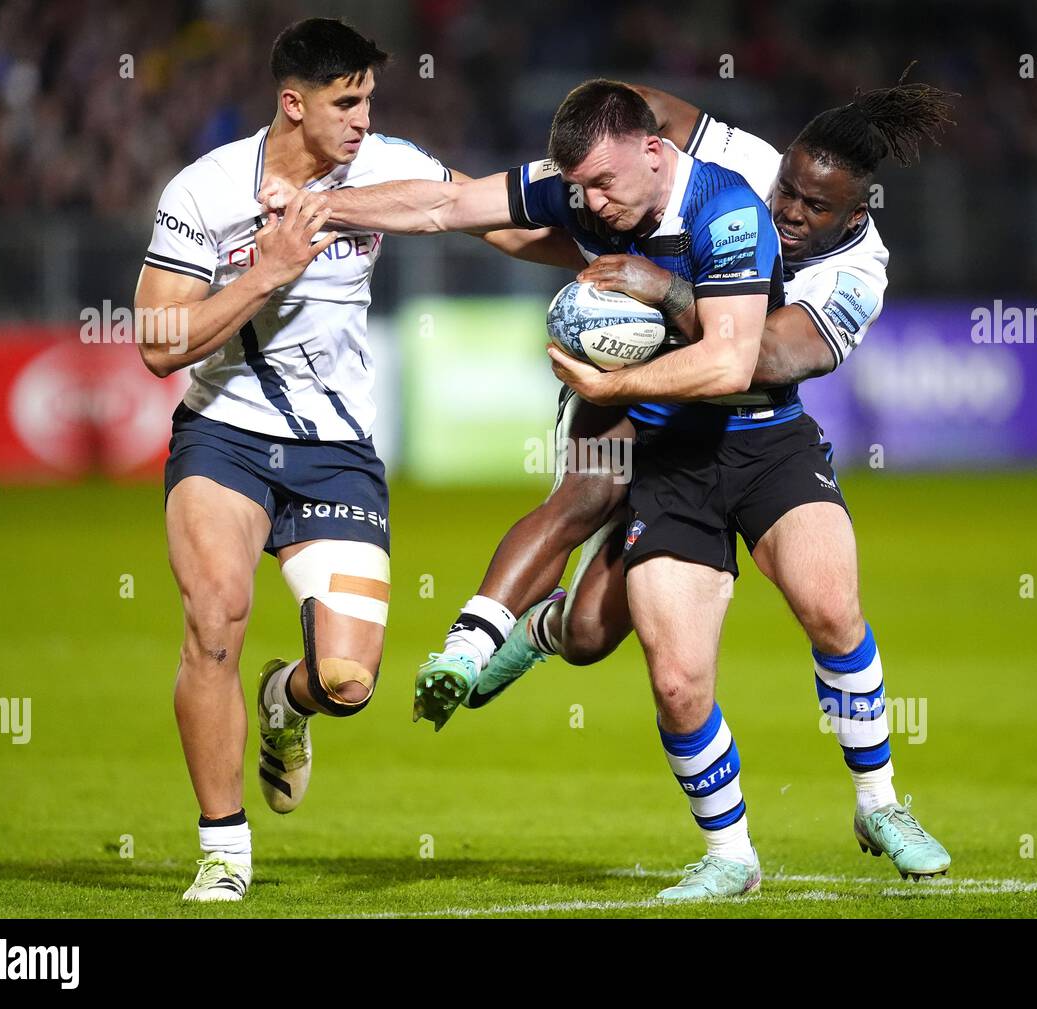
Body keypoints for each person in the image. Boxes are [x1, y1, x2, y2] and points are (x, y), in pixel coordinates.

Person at [261, 77, 951, 900]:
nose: (788, 213)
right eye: (787, 193)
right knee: (631, 653)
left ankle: (879, 803)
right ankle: (729, 852)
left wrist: (656, 294)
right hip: (666, 448)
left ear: (854, 215)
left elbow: (758, 359)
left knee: (832, 607)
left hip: (761, 436)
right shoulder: (741, 169)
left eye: (812, 207)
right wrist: (603, 141)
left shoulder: (854, 275)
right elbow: (640, 109)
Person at [136, 17, 577, 903]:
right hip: (224, 435)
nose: (363, 119)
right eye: (346, 102)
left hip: (337, 455)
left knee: (346, 683)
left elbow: (486, 215)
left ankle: (283, 704)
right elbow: (155, 342)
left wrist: (605, 256)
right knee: (215, 617)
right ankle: (224, 851)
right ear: (293, 104)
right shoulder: (205, 189)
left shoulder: (385, 165)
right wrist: (267, 273)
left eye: (370, 98)